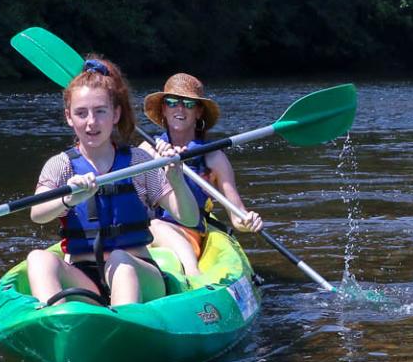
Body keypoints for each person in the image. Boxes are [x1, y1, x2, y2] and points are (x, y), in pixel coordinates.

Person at [24, 57, 199, 308]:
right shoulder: (60, 165)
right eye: (81, 113)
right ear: (69, 117)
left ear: (115, 114)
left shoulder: (139, 162)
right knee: (39, 259)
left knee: (119, 259)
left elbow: (190, 218)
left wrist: (176, 179)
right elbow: (37, 214)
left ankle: (124, 327)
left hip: (138, 273)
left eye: (100, 111)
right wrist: (68, 199)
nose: (91, 122)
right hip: (86, 278)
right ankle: (54, 325)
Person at [142, 73, 264, 283]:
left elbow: (237, 215)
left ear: (198, 112)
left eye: (188, 104)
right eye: (172, 102)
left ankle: (193, 275)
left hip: (188, 232)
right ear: (163, 108)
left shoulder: (214, 158)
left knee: (157, 226)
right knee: (151, 227)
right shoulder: (146, 151)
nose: (179, 109)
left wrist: (248, 221)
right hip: (146, 234)